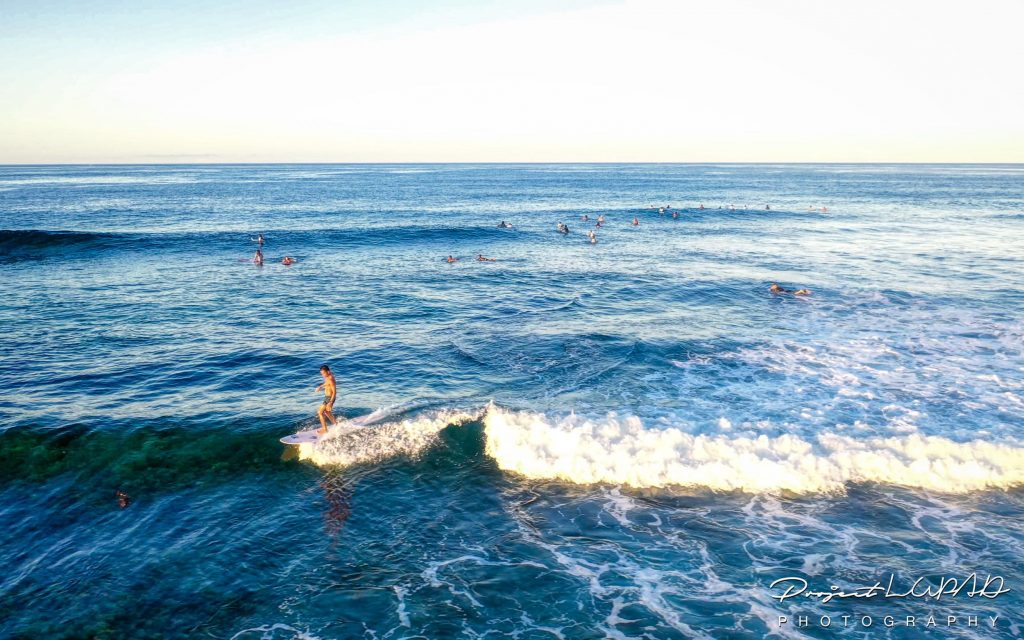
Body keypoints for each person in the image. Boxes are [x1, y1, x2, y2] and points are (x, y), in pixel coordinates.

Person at [315, 365, 338, 434]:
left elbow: (334, 392)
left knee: (320, 412)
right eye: (321, 374)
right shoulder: (328, 377)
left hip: (329, 398)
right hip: (327, 397)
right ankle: (336, 424)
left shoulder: (330, 379)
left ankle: (325, 429)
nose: (323, 375)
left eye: (324, 373)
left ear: (328, 371)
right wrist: (320, 386)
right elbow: (327, 383)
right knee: (327, 412)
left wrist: (330, 402)